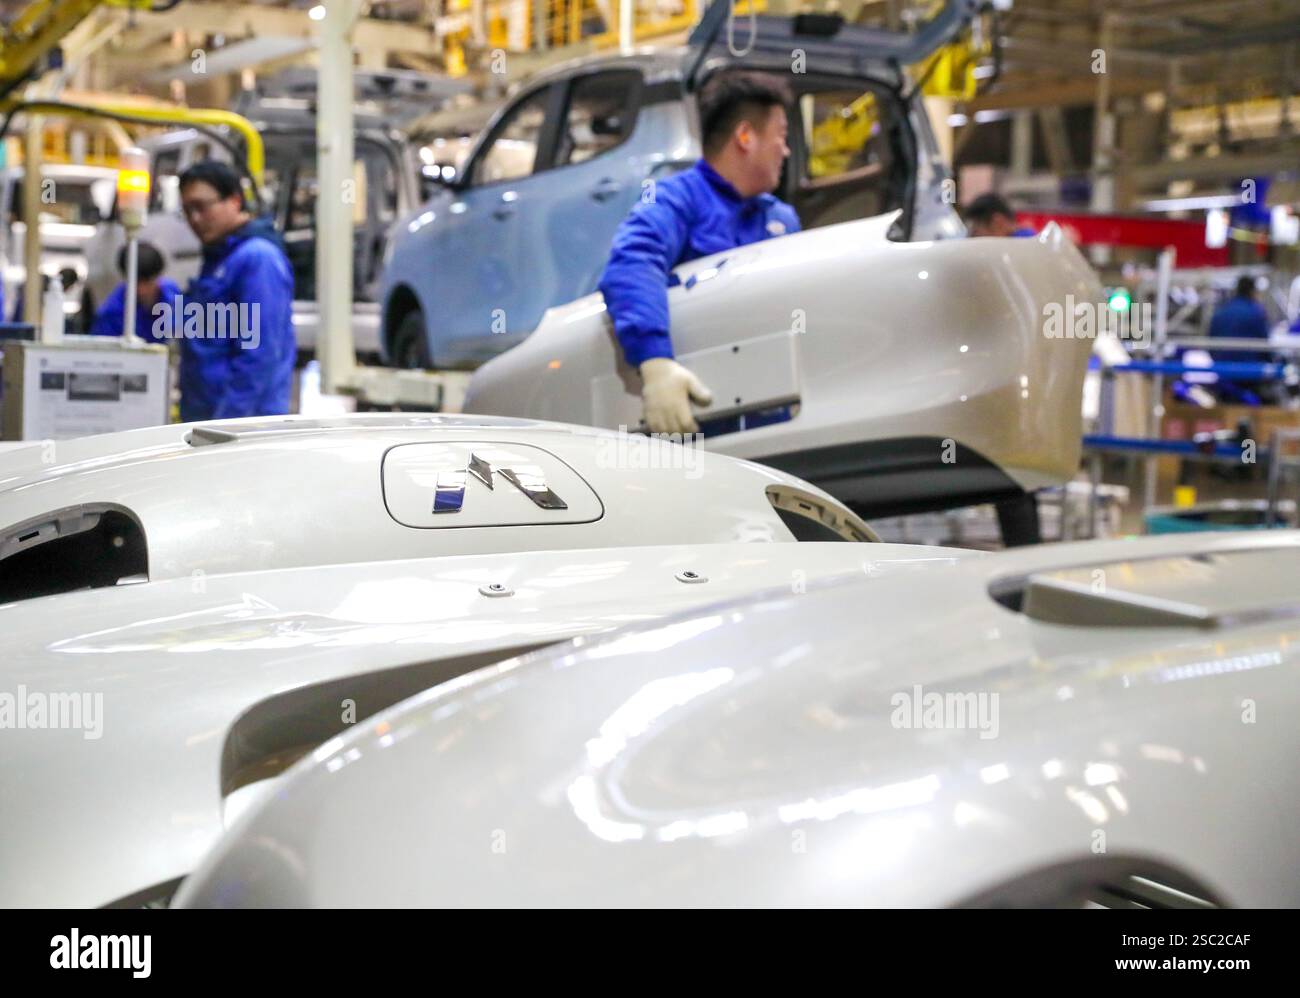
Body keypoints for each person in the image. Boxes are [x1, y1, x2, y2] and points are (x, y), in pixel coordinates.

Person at [599, 71, 800, 434]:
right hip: (704, 412)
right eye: (781, 136)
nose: (785, 150)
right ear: (745, 137)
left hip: (778, 412)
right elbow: (632, 264)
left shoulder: (781, 218)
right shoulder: (676, 200)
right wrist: (656, 362)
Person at [173, 160, 295, 422]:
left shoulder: (257, 259)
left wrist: (227, 425)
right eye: (187, 210)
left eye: (202, 207)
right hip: (208, 419)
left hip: (241, 427)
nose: (195, 219)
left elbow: (259, 356)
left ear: (235, 201)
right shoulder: (219, 258)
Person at [90, 242, 180, 340]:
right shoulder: (111, 315)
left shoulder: (173, 295)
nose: (141, 290)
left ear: (159, 276)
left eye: (147, 282)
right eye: (135, 283)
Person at [962, 193, 1035, 238]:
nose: (972, 238)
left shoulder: (1023, 245)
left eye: (975, 232)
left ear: (998, 223)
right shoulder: (1030, 239)